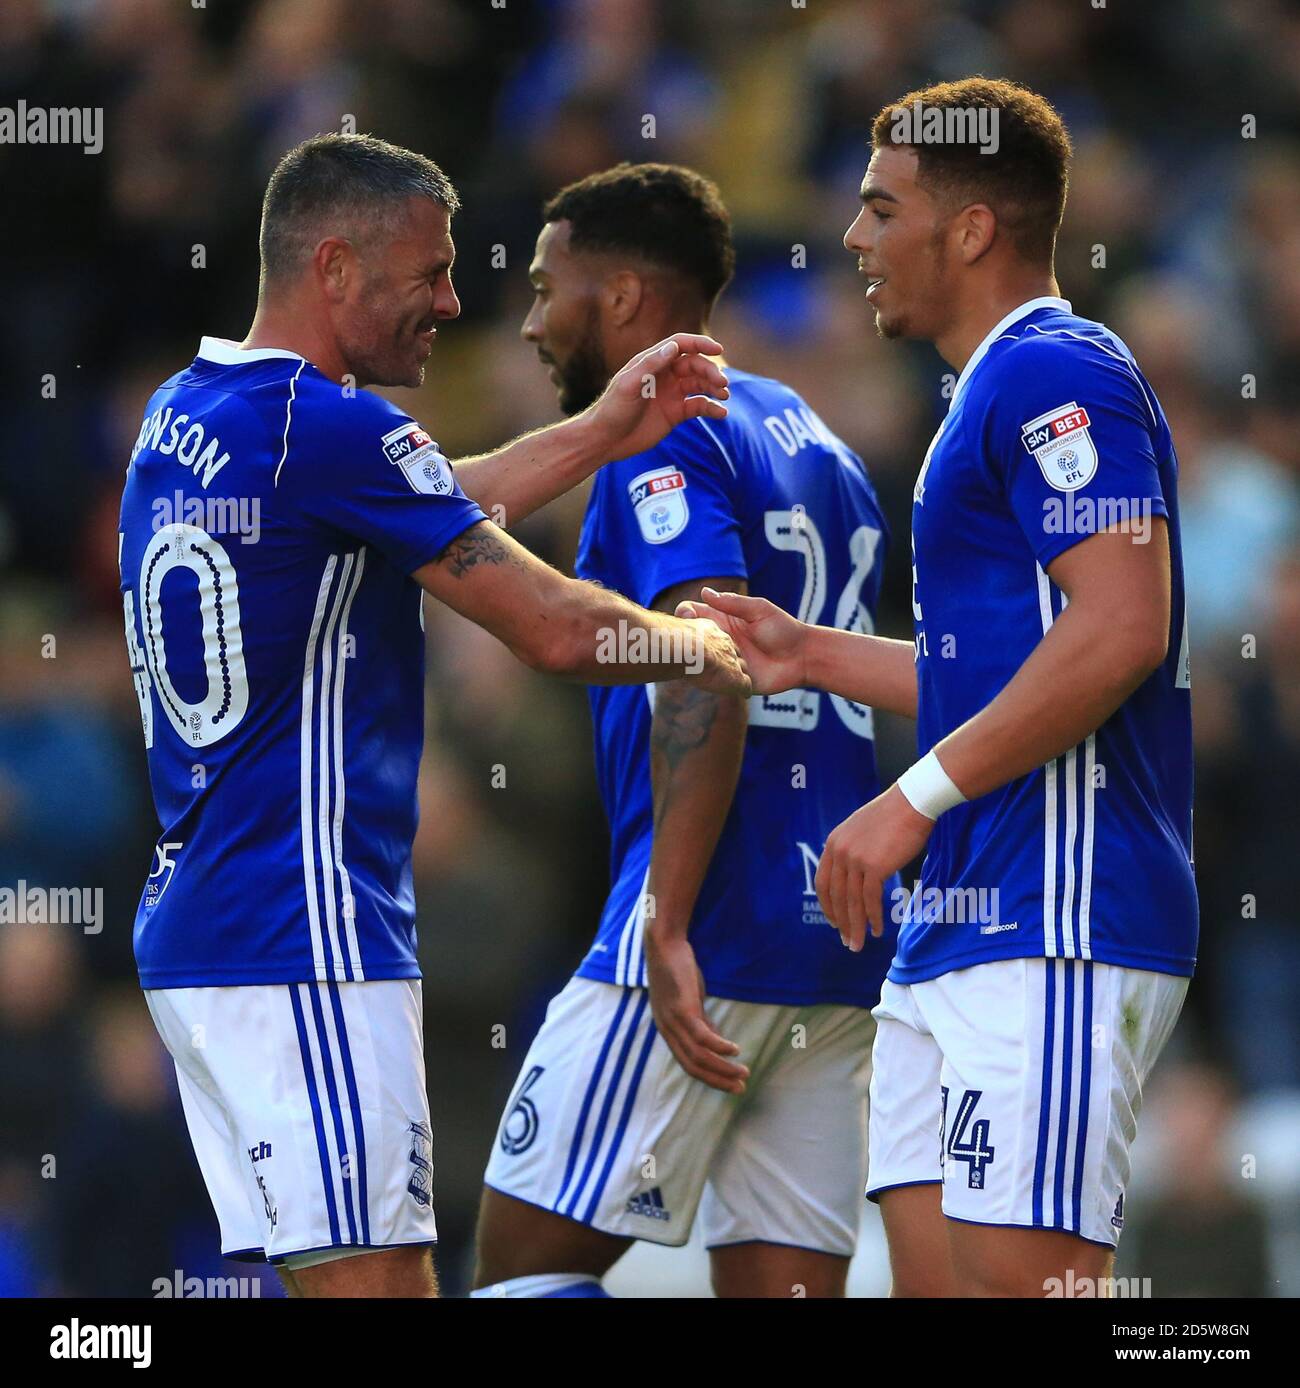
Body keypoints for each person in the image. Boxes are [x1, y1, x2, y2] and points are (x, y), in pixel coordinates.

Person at [117, 133, 748, 1299]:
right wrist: (718, 650)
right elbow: (556, 627)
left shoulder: (189, 408)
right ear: (339, 268)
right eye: (429, 274)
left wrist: (602, 429)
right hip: (304, 936)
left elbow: (409, 497)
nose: (452, 303)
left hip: (209, 931)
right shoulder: (334, 430)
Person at [686, 78, 1197, 1297]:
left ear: (969, 229)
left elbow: (1123, 626)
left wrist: (911, 795)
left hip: (1058, 910)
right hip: (958, 925)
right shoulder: (981, 393)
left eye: (879, 208)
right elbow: (1007, 670)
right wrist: (813, 653)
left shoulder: (1053, 368)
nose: (854, 238)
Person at [473, 163, 897, 1299]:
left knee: (518, 1274)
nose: (525, 319)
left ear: (618, 298)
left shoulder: (664, 432)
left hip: (704, 921)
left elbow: (703, 674)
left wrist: (665, 914)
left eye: (542, 285)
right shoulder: (822, 442)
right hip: (833, 943)